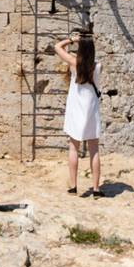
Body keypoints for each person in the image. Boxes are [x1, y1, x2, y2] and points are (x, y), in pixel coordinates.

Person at [54, 32, 103, 197]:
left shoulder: (73, 63)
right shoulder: (98, 67)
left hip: (76, 108)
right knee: (94, 150)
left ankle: (74, 186)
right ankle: (96, 189)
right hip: (91, 109)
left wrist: (71, 40)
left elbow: (57, 47)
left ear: (81, 49)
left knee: (73, 148)